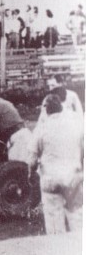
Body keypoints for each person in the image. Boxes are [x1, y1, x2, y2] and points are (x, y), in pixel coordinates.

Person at [31, 94, 84, 234]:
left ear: (46, 110)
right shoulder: (76, 125)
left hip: (50, 177)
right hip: (73, 175)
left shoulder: (41, 128)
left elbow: (31, 157)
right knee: (77, 216)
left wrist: (31, 172)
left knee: (54, 217)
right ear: (61, 108)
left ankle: (57, 248)